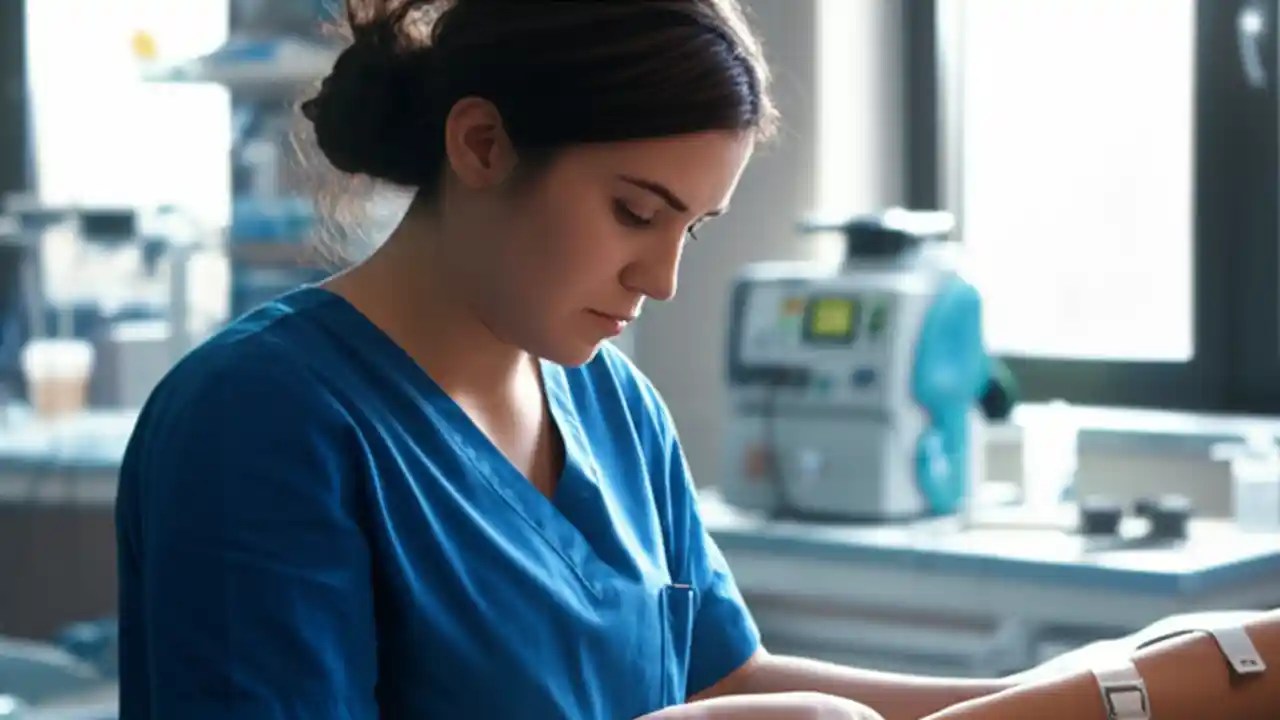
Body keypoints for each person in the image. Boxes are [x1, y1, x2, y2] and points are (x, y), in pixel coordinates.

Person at [113, 0, 1063, 718]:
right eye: (636, 214)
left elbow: (725, 676)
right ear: (482, 144)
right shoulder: (263, 421)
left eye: (691, 229)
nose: (662, 279)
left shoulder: (616, 407)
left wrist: (1084, 693)